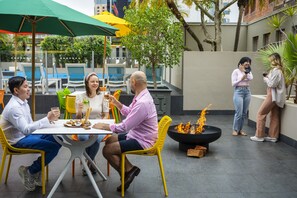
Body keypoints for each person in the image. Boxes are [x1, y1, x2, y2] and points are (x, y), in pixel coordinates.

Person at [93, 71, 158, 192]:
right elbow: (131, 113)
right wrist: (116, 103)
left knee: (107, 150)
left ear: (133, 82)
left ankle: (127, 172)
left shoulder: (143, 103)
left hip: (142, 140)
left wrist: (104, 126)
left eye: (129, 82)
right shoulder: (142, 96)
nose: (129, 84)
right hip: (137, 135)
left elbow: (124, 127)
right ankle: (128, 171)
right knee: (110, 140)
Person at [0, 76, 61, 191]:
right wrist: (46, 119)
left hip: (25, 135)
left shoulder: (23, 103)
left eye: (28, 86)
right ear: (16, 90)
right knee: (52, 147)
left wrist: (49, 121)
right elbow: (26, 130)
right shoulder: (14, 108)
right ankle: (30, 171)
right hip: (17, 141)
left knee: (57, 139)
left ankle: (36, 170)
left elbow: (30, 125)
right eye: (25, 86)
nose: (29, 89)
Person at [75, 72, 109, 176]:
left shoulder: (103, 96)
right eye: (92, 81)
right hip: (84, 125)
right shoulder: (80, 97)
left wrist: (101, 124)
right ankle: (91, 161)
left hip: (99, 126)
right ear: (87, 83)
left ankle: (88, 163)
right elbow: (78, 118)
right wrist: (79, 110)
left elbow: (106, 115)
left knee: (96, 138)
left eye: (97, 81)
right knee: (83, 137)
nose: (95, 83)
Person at [250, 53, 286, 143]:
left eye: (271, 59)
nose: (269, 61)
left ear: (274, 60)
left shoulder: (276, 71)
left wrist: (266, 79)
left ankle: (259, 136)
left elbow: (272, 84)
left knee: (261, 113)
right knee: (274, 115)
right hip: (276, 96)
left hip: (273, 95)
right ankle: (273, 136)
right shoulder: (279, 70)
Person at [231, 57, 253, 136]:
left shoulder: (248, 71)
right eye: (246, 63)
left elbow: (251, 78)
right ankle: (235, 129)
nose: (248, 64)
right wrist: (241, 79)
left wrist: (244, 72)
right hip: (238, 92)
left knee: (244, 113)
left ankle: (240, 130)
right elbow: (233, 84)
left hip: (247, 92)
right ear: (241, 63)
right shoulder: (236, 71)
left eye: (249, 63)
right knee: (239, 113)